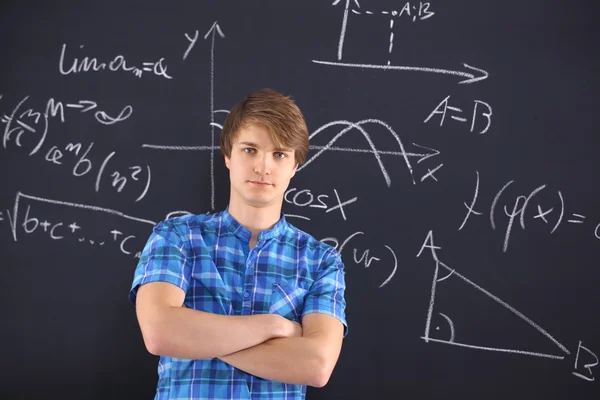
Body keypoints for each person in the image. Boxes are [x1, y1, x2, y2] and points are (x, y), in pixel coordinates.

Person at [128, 88, 348, 399]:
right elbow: (160, 333)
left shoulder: (321, 261)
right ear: (228, 155)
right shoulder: (176, 236)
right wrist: (273, 326)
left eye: (279, 154)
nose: (263, 166)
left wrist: (198, 339)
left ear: (294, 166)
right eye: (249, 150)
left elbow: (316, 365)